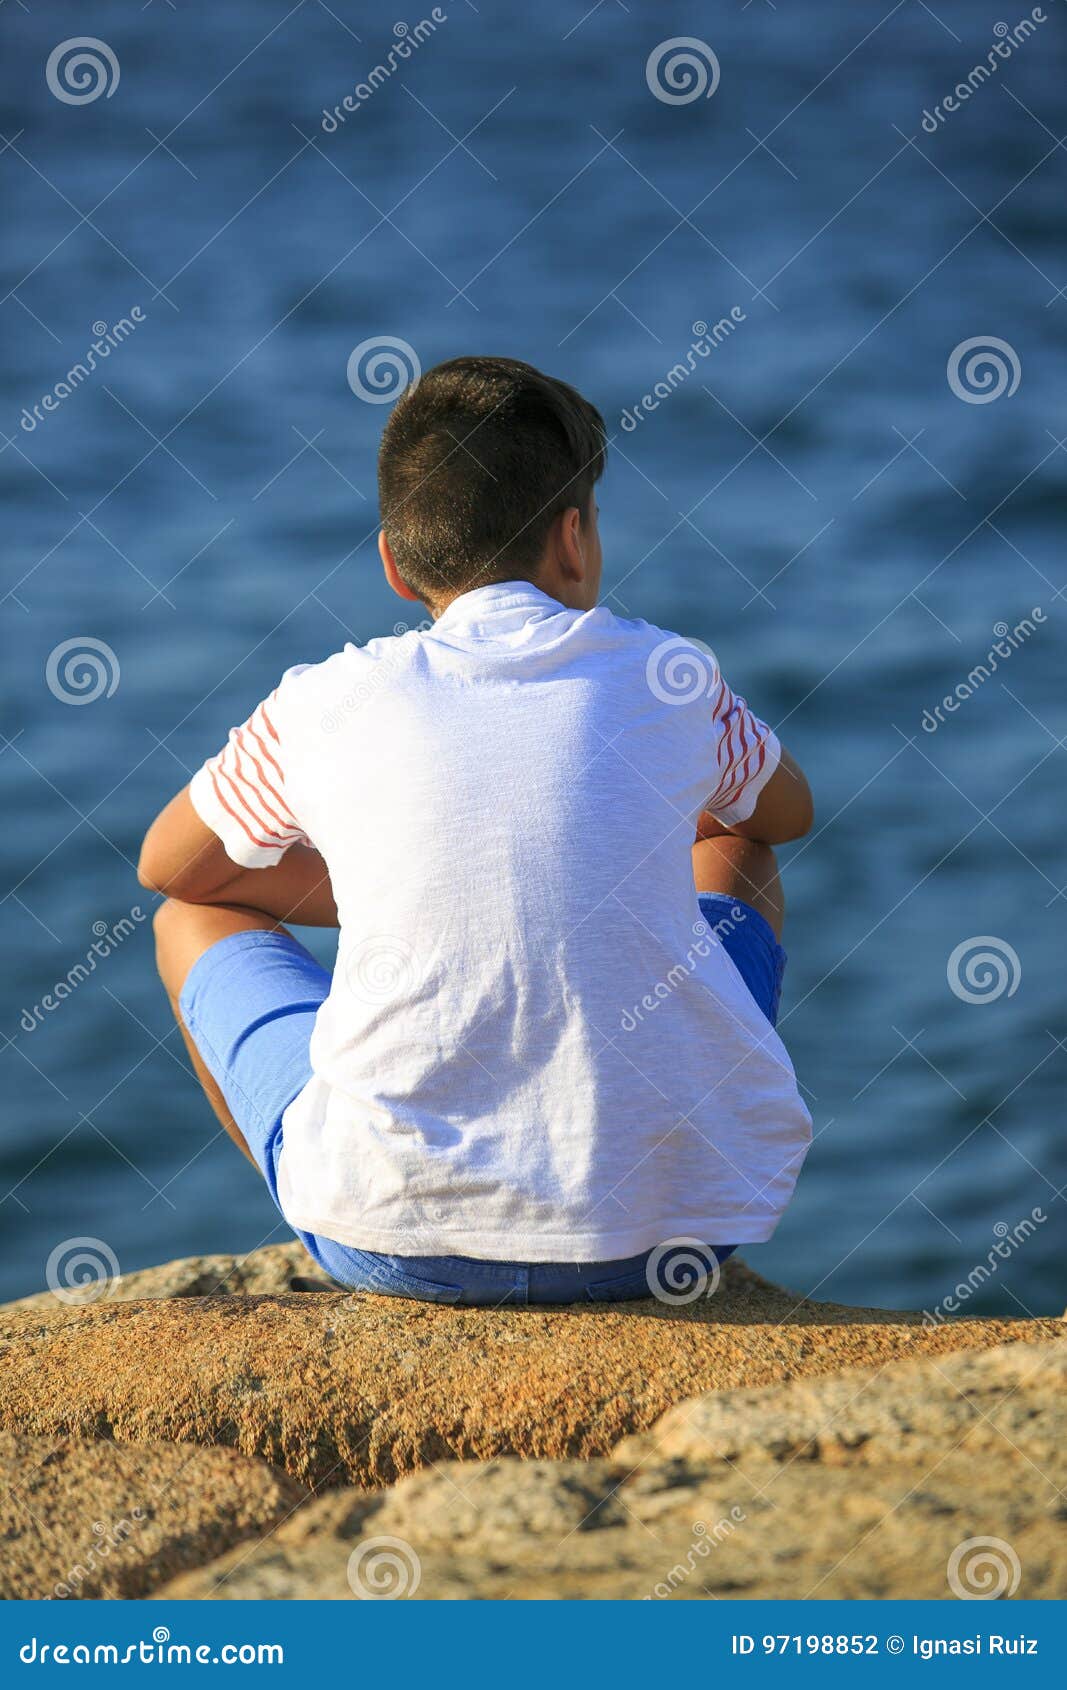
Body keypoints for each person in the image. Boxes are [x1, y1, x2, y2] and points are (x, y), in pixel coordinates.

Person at [139, 356, 814, 1306]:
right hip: (680, 1241)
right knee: (731, 848)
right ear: (572, 539)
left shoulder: (323, 701)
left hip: (394, 1252)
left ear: (392, 561)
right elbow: (781, 814)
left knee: (185, 919)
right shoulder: (671, 675)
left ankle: (321, 1196)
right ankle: (664, 1146)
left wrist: (387, 886)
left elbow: (169, 868)